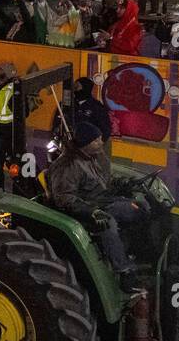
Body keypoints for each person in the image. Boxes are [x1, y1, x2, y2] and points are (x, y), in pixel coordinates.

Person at [46, 121, 143, 272]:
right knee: (107, 222)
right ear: (86, 143)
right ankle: (122, 268)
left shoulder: (91, 157)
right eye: (96, 140)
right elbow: (64, 199)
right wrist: (91, 211)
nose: (101, 142)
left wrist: (123, 184)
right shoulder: (68, 165)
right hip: (83, 209)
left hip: (100, 201)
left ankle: (133, 252)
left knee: (137, 208)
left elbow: (102, 182)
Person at [72, 78, 112, 143]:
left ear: (86, 88)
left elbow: (106, 129)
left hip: (89, 145)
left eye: (77, 87)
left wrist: (97, 144)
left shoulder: (96, 107)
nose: (75, 89)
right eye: (74, 87)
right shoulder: (69, 104)